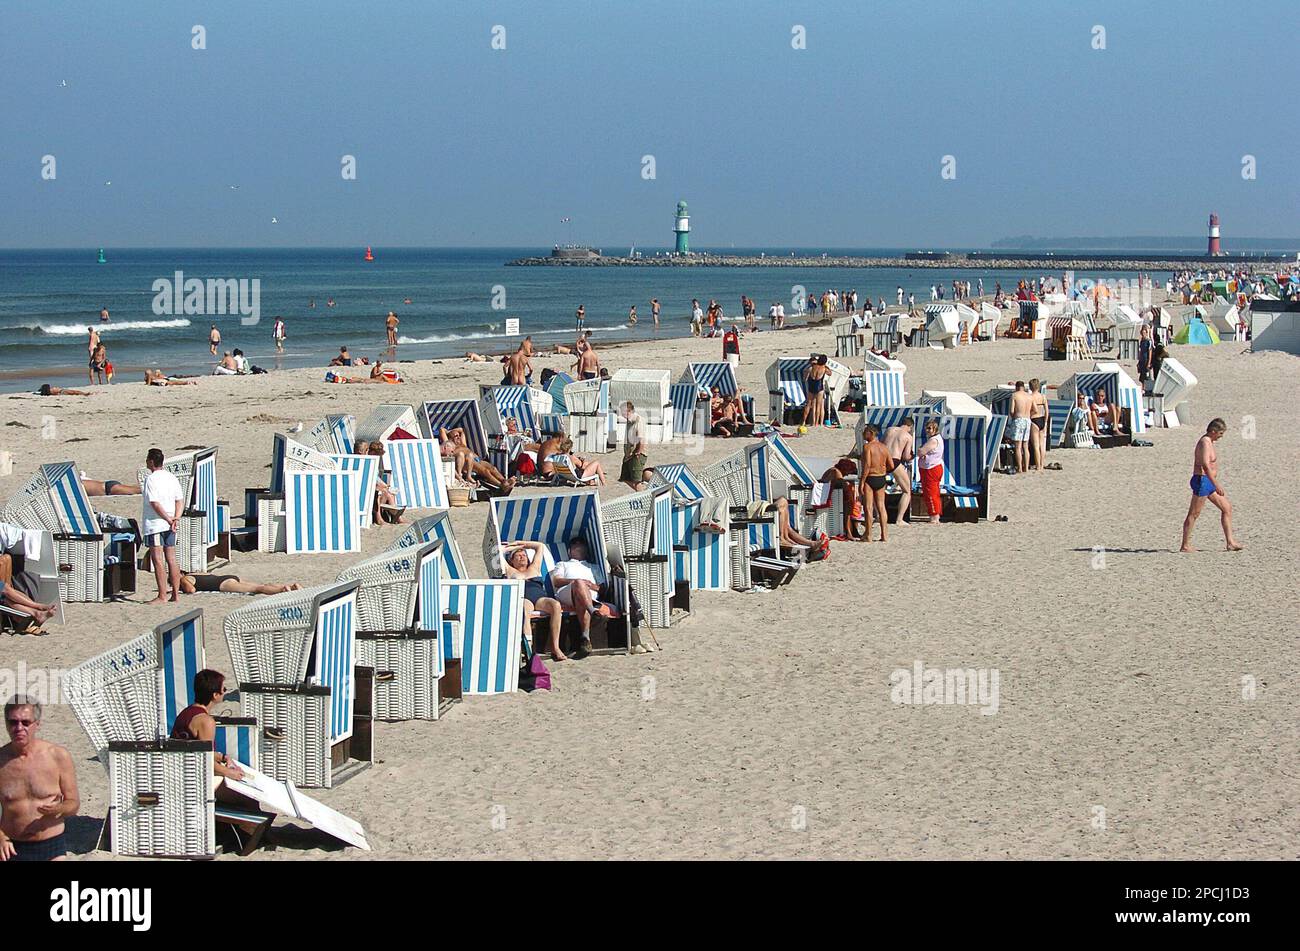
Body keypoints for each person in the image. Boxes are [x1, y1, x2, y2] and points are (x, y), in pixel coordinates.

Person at [0, 697, 79, 862]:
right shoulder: (1, 761)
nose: (19, 728)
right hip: (11, 845)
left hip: (51, 845)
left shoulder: (57, 756)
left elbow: (73, 803)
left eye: (25, 722)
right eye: (13, 722)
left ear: (37, 724)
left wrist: (59, 808)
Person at [170, 671, 262, 812]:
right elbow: (204, 761)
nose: (225, 692)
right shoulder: (206, 721)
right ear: (215, 695)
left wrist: (223, 757)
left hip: (180, 772)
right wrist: (228, 772)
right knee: (249, 797)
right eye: (223, 689)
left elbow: (196, 751)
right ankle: (250, 834)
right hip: (193, 781)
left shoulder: (186, 713)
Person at [1180, 418, 1244, 552]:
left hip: (1208, 482)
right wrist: (1217, 484)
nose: (1221, 437)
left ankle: (1230, 542)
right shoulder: (1204, 443)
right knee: (1194, 514)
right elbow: (1205, 465)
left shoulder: (1210, 442)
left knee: (1227, 508)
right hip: (1202, 481)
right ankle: (1185, 545)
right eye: (1220, 434)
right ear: (1213, 431)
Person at [501, 541, 566, 661]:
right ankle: (529, 650)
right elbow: (498, 552)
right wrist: (511, 547)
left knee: (556, 605)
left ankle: (555, 647)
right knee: (525, 610)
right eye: (518, 555)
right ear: (511, 560)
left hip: (539, 599)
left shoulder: (534, 567)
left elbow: (539, 546)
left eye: (524, 555)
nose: (522, 557)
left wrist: (520, 543)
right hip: (525, 599)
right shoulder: (510, 570)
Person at [549, 537, 610, 658]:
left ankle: (585, 638)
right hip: (566, 593)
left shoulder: (594, 567)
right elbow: (556, 581)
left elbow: (602, 589)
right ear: (569, 551)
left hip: (588, 595)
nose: (579, 547)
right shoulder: (563, 564)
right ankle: (592, 611)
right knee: (579, 584)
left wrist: (591, 585)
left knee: (581, 596)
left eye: (581, 545)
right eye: (575, 546)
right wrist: (576, 582)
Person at [142, 447, 183, 603]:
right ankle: (176, 595)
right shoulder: (171, 477)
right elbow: (179, 500)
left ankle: (162, 595)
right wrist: (176, 518)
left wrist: (168, 519)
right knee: (171, 559)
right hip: (171, 523)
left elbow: (155, 503)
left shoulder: (151, 479)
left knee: (158, 560)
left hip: (157, 524)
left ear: (151, 462)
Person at [859, 424, 892, 542]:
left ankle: (868, 535)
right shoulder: (884, 447)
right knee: (881, 507)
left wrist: (862, 481)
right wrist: (882, 470)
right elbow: (891, 465)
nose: (863, 434)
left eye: (865, 432)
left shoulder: (867, 447)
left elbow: (867, 465)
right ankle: (884, 535)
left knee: (868, 508)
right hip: (881, 477)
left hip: (870, 477)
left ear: (871, 433)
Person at [881, 417, 915, 524]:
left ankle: (878, 516)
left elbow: (881, 444)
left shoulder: (889, 429)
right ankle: (899, 519)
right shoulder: (908, 436)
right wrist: (912, 456)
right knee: (907, 490)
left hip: (882, 459)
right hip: (894, 461)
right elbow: (905, 456)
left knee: (880, 490)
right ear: (910, 427)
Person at [916, 419, 944, 524]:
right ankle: (935, 515)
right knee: (933, 492)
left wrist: (920, 450)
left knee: (931, 493)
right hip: (932, 468)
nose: (927, 430)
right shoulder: (936, 439)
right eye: (926, 428)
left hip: (931, 469)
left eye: (930, 428)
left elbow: (921, 452)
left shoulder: (933, 440)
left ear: (935, 429)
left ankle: (934, 516)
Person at [180, 574, 302, 595]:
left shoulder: (184, 578)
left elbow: (191, 590)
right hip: (227, 577)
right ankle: (291, 586)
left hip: (223, 584)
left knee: (257, 589)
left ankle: (282, 590)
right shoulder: (195, 572)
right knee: (262, 584)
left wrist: (182, 586)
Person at [619, 401, 648, 490]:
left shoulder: (638, 420)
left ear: (629, 411)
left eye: (623, 412)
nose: (622, 414)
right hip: (629, 455)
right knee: (624, 478)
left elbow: (641, 439)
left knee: (636, 481)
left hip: (637, 455)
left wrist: (637, 453)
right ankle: (643, 490)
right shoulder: (629, 421)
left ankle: (643, 494)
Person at [1009, 381, 1033, 474]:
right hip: (1027, 420)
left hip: (1018, 419)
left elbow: (1011, 410)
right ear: (1023, 387)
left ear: (1016, 387)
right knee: (1025, 446)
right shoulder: (1029, 396)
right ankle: (1026, 468)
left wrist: (1014, 417)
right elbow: (1034, 409)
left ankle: (1019, 468)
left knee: (1018, 446)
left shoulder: (1014, 395)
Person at [802, 355, 830, 429]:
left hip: (811, 386)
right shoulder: (824, 368)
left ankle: (803, 421)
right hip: (819, 387)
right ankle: (816, 423)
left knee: (808, 404)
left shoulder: (811, 368)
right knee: (818, 405)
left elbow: (805, 379)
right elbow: (830, 373)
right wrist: (826, 366)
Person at [1028, 378, 1048, 471]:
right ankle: (1042, 464)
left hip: (1034, 420)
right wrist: (1046, 421)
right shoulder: (1043, 397)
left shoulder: (1030, 397)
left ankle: (1038, 466)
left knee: (1036, 445)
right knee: (1042, 445)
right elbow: (1047, 411)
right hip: (1042, 419)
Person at [1137, 324, 1154, 392]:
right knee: (1142, 376)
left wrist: (1149, 363)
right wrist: (1139, 361)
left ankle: (1146, 389)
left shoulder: (1148, 341)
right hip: (1142, 360)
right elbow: (1141, 351)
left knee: (1147, 376)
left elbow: (1150, 352)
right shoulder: (1142, 341)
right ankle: (1143, 388)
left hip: (1146, 360)